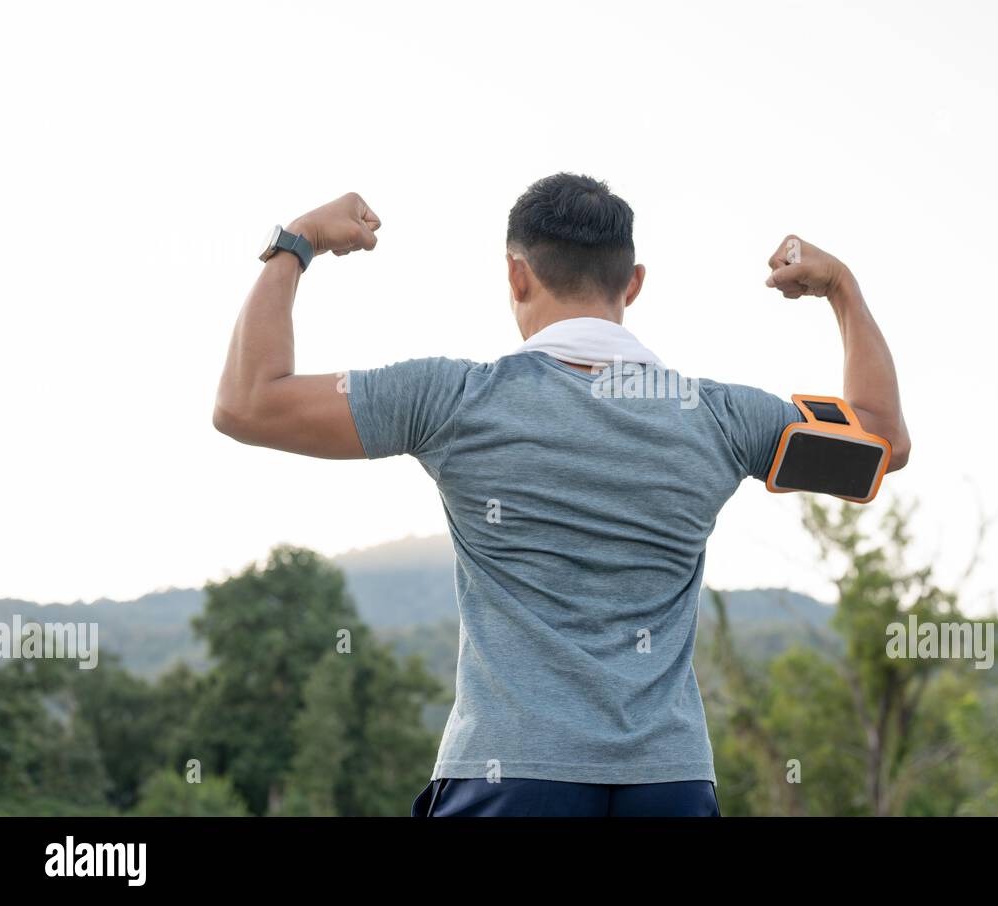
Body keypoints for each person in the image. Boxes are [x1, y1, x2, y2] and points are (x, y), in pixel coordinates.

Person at [214, 173, 910, 816]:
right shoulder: (723, 418)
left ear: (517, 276)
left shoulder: (454, 400)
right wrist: (841, 288)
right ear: (632, 284)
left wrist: (295, 244)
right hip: (669, 785)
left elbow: (247, 403)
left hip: (507, 777)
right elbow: (884, 443)